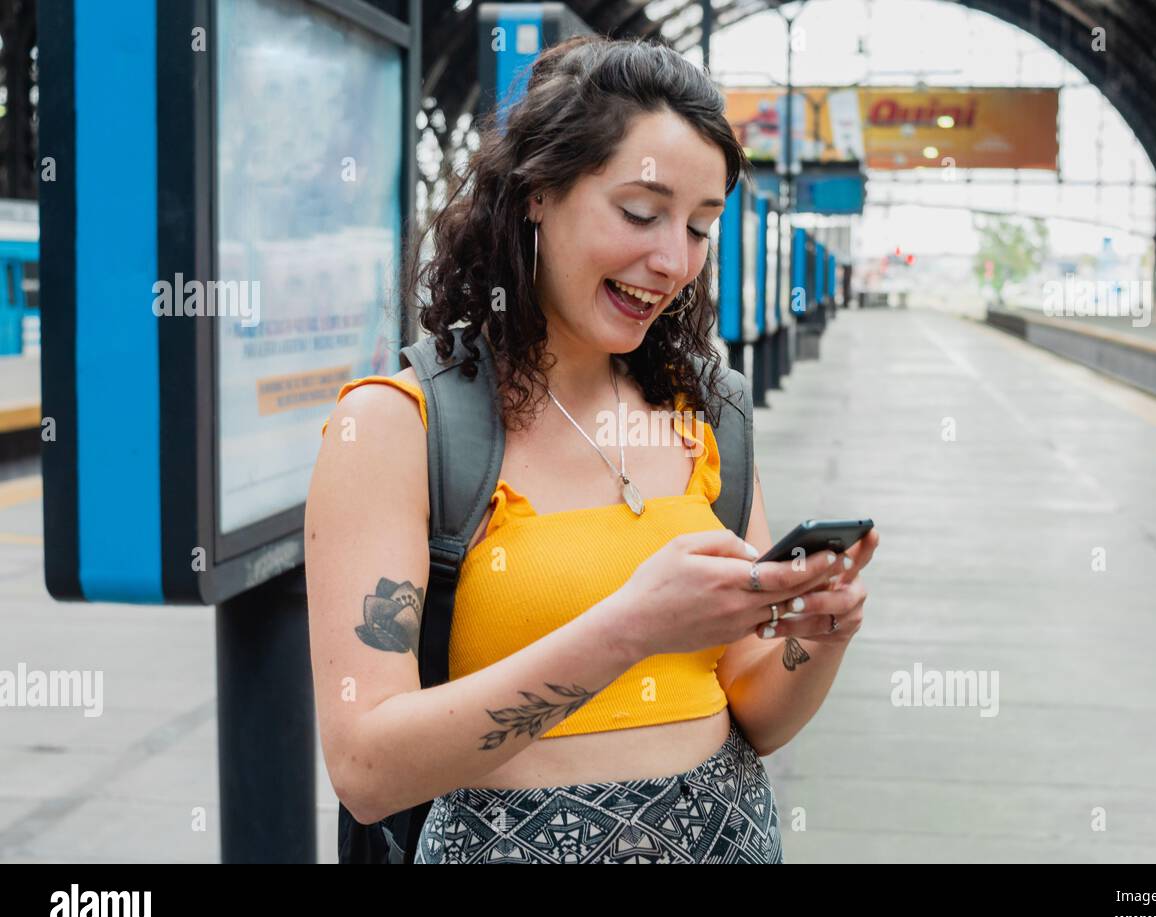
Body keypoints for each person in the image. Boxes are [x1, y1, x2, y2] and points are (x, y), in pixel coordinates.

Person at [306, 34, 879, 864]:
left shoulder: (710, 414)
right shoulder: (400, 427)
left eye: (699, 226)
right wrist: (634, 627)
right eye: (641, 214)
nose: (672, 260)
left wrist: (815, 638)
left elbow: (755, 709)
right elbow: (366, 766)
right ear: (538, 191)